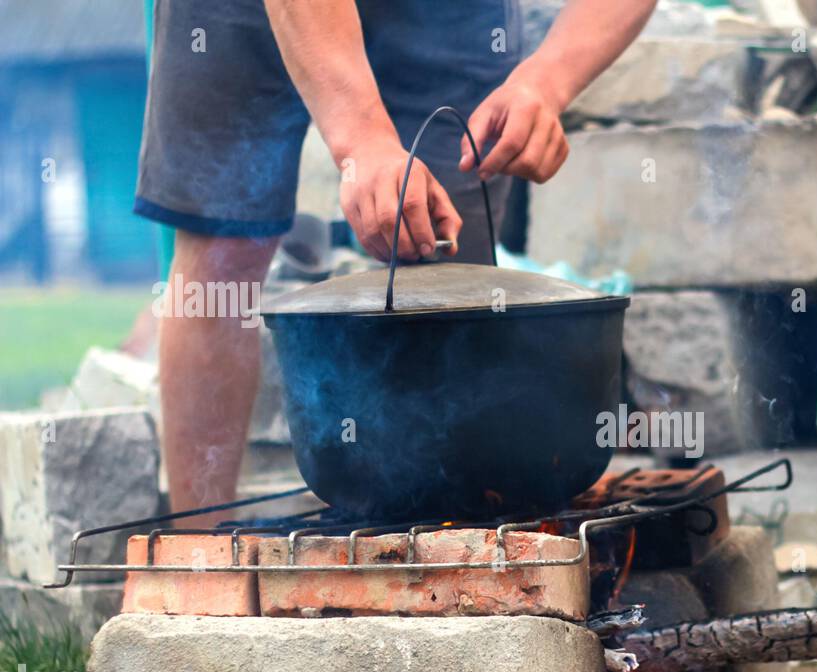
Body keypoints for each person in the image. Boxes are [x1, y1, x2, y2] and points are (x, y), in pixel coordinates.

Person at [133, 0, 655, 522]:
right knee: (223, 258)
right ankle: (193, 555)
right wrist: (362, 140)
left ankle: (463, 538)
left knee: (450, 265)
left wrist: (546, 83)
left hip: (448, 18)